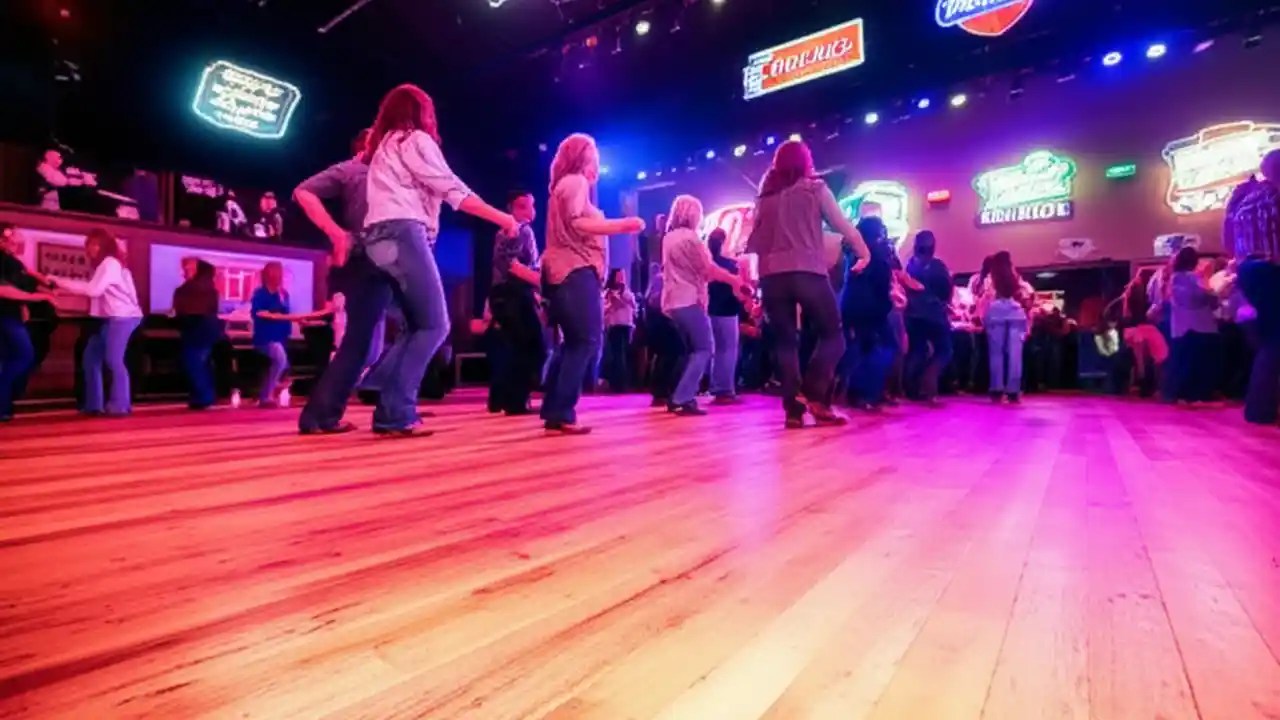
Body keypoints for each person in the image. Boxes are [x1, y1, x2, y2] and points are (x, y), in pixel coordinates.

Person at [360, 84, 517, 435]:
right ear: (420, 111)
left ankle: (381, 386)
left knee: (417, 325)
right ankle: (393, 410)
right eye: (430, 110)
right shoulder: (414, 140)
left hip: (376, 239)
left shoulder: (383, 147)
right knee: (436, 326)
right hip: (402, 232)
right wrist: (504, 219)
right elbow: (453, 190)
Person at [744, 139, 869, 428]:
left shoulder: (764, 197)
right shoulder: (815, 189)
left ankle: (793, 411)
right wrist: (864, 251)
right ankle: (813, 393)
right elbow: (841, 223)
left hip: (771, 275)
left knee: (785, 342)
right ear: (805, 161)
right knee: (833, 334)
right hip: (807, 270)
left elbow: (757, 239)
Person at [539, 133, 645, 434]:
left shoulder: (563, 185)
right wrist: (623, 225)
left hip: (562, 272)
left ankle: (555, 409)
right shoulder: (575, 182)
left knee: (574, 341)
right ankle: (561, 411)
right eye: (593, 151)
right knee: (586, 340)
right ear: (582, 155)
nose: (597, 157)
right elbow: (577, 222)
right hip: (575, 270)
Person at [295, 128, 398, 434]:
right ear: (366, 144)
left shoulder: (375, 173)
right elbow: (304, 191)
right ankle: (322, 416)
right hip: (369, 263)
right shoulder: (354, 171)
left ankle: (325, 414)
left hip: (375, 263)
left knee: (366, 346)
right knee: (360, 344)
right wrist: (336, 232)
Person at [660, 195, 752, 416]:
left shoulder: (668, 238)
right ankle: (683, 397)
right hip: (689, 299)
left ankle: (676, 395)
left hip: (671, 301)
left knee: (690, 351)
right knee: (704, 349)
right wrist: (735, 280)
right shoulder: (691, 239)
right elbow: (708, 269)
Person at [55, 229, 142, 416]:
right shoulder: (105, 265)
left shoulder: (109, 263)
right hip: (112, 318)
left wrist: (59, 282)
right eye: (89, 244)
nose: (90, 248)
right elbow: (95, 294)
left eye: (95, 244)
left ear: (105, 246)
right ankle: (94, 405)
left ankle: (120, 405)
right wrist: (62, 291)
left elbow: (93, 291)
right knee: (90, 358)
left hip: (122, 317)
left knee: (113, 359)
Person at [1226, 148, 1280, 424]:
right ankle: (1259, 410)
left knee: (1270, 341)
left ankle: (1259, 408)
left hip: (1247, 269)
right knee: (1275, 342)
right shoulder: (1275, 196)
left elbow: (1228, 241)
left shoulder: (1245, 201)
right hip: (1272, 268)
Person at [488, 190, 545, 414]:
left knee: (516, 347)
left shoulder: (512, 230)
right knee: (531, 348)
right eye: (523, 206)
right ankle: (514, 402)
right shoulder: (518, 230)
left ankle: (501, 398)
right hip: (512, 294)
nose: (530, 210)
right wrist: (541, 282)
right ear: (511, 209)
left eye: (531, 205)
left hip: (507, 294)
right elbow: (509, 264)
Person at [839, 216, 898, 411]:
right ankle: (864, 392)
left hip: (850, 305)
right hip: (871, 308)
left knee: (862, 348)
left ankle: (859, 392)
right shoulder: (876, 254)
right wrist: (887, 305)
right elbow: (881, 285)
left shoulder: (852, 253)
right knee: (887, 347)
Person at [0, 224, 57, 421]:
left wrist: (48, 287)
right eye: (10, 237)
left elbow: (30, 277)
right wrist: (37, 298)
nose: (15, 241)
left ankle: (5, 408)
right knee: (24, 356)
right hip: (5, 316)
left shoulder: (14, 263)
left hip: (12, 315)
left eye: (16, 238)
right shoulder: (4, 260)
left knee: (12, 359)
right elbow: (3, 290)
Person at [903, 230, 954, 405]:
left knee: (917, 350)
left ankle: (911, 390)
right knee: (944, 350)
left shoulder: (910, 265)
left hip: (912, 314)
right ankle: (929, 383)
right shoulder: (937, 266)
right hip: (934, 313)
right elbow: (947, 289)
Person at [980, 250, 1034, 403]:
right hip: (1015, 313)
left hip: (996, 313)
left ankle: (997, 389)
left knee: (996, 354)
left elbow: (986, 298)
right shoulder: (1015, 277)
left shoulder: (990, 279)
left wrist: (983, 317)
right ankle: (1013, 391)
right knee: (1015, 354)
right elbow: (1027, 296)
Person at [1168, 246, 1220, 404]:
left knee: (1184, 362)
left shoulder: (1173, 279)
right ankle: (1197, 396)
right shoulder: (1194, 278)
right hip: (1200, 325)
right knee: (1200, 363)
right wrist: (1211, 294)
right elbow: (1200, 298)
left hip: (1181, 327)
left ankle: (1183, 395)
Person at [173, 257, 221, 409]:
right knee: (200, 364)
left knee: (194, 364)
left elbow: (189, 310)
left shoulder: (193, 290)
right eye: (185, 268)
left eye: (189, 268)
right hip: (204, 330)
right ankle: (202, 398)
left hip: (198, 330)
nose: (186, 271)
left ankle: (204, 398)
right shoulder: (208, 289)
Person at [707, 228, 745, 403]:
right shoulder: (731, 265)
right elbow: (738, 290)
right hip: (728, 310)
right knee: (729, 350)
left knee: (716, 351)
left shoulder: (707, 263)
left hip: (710, 310)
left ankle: (715, 386)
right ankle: (725, 389)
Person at [644, 262, 684, 407]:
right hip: (663, 322)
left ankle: (661, 391)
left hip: (661, 322)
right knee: (668, 356)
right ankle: (660, 391)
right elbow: (656, 301)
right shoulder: (662, 280)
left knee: (666, 356)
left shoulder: (660, 280)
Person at [602, 268, 636, 393]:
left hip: (626, 325)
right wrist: (611, 303)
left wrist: (622, 296)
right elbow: (603, 310)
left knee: (624, 354)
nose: (621, 278)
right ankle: (615, 383)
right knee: (616, 355)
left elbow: (633, 305)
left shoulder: (627, 292)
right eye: (619, 276)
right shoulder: (608, 293)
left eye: (623, 275)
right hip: (614, 325)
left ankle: (624, 383)